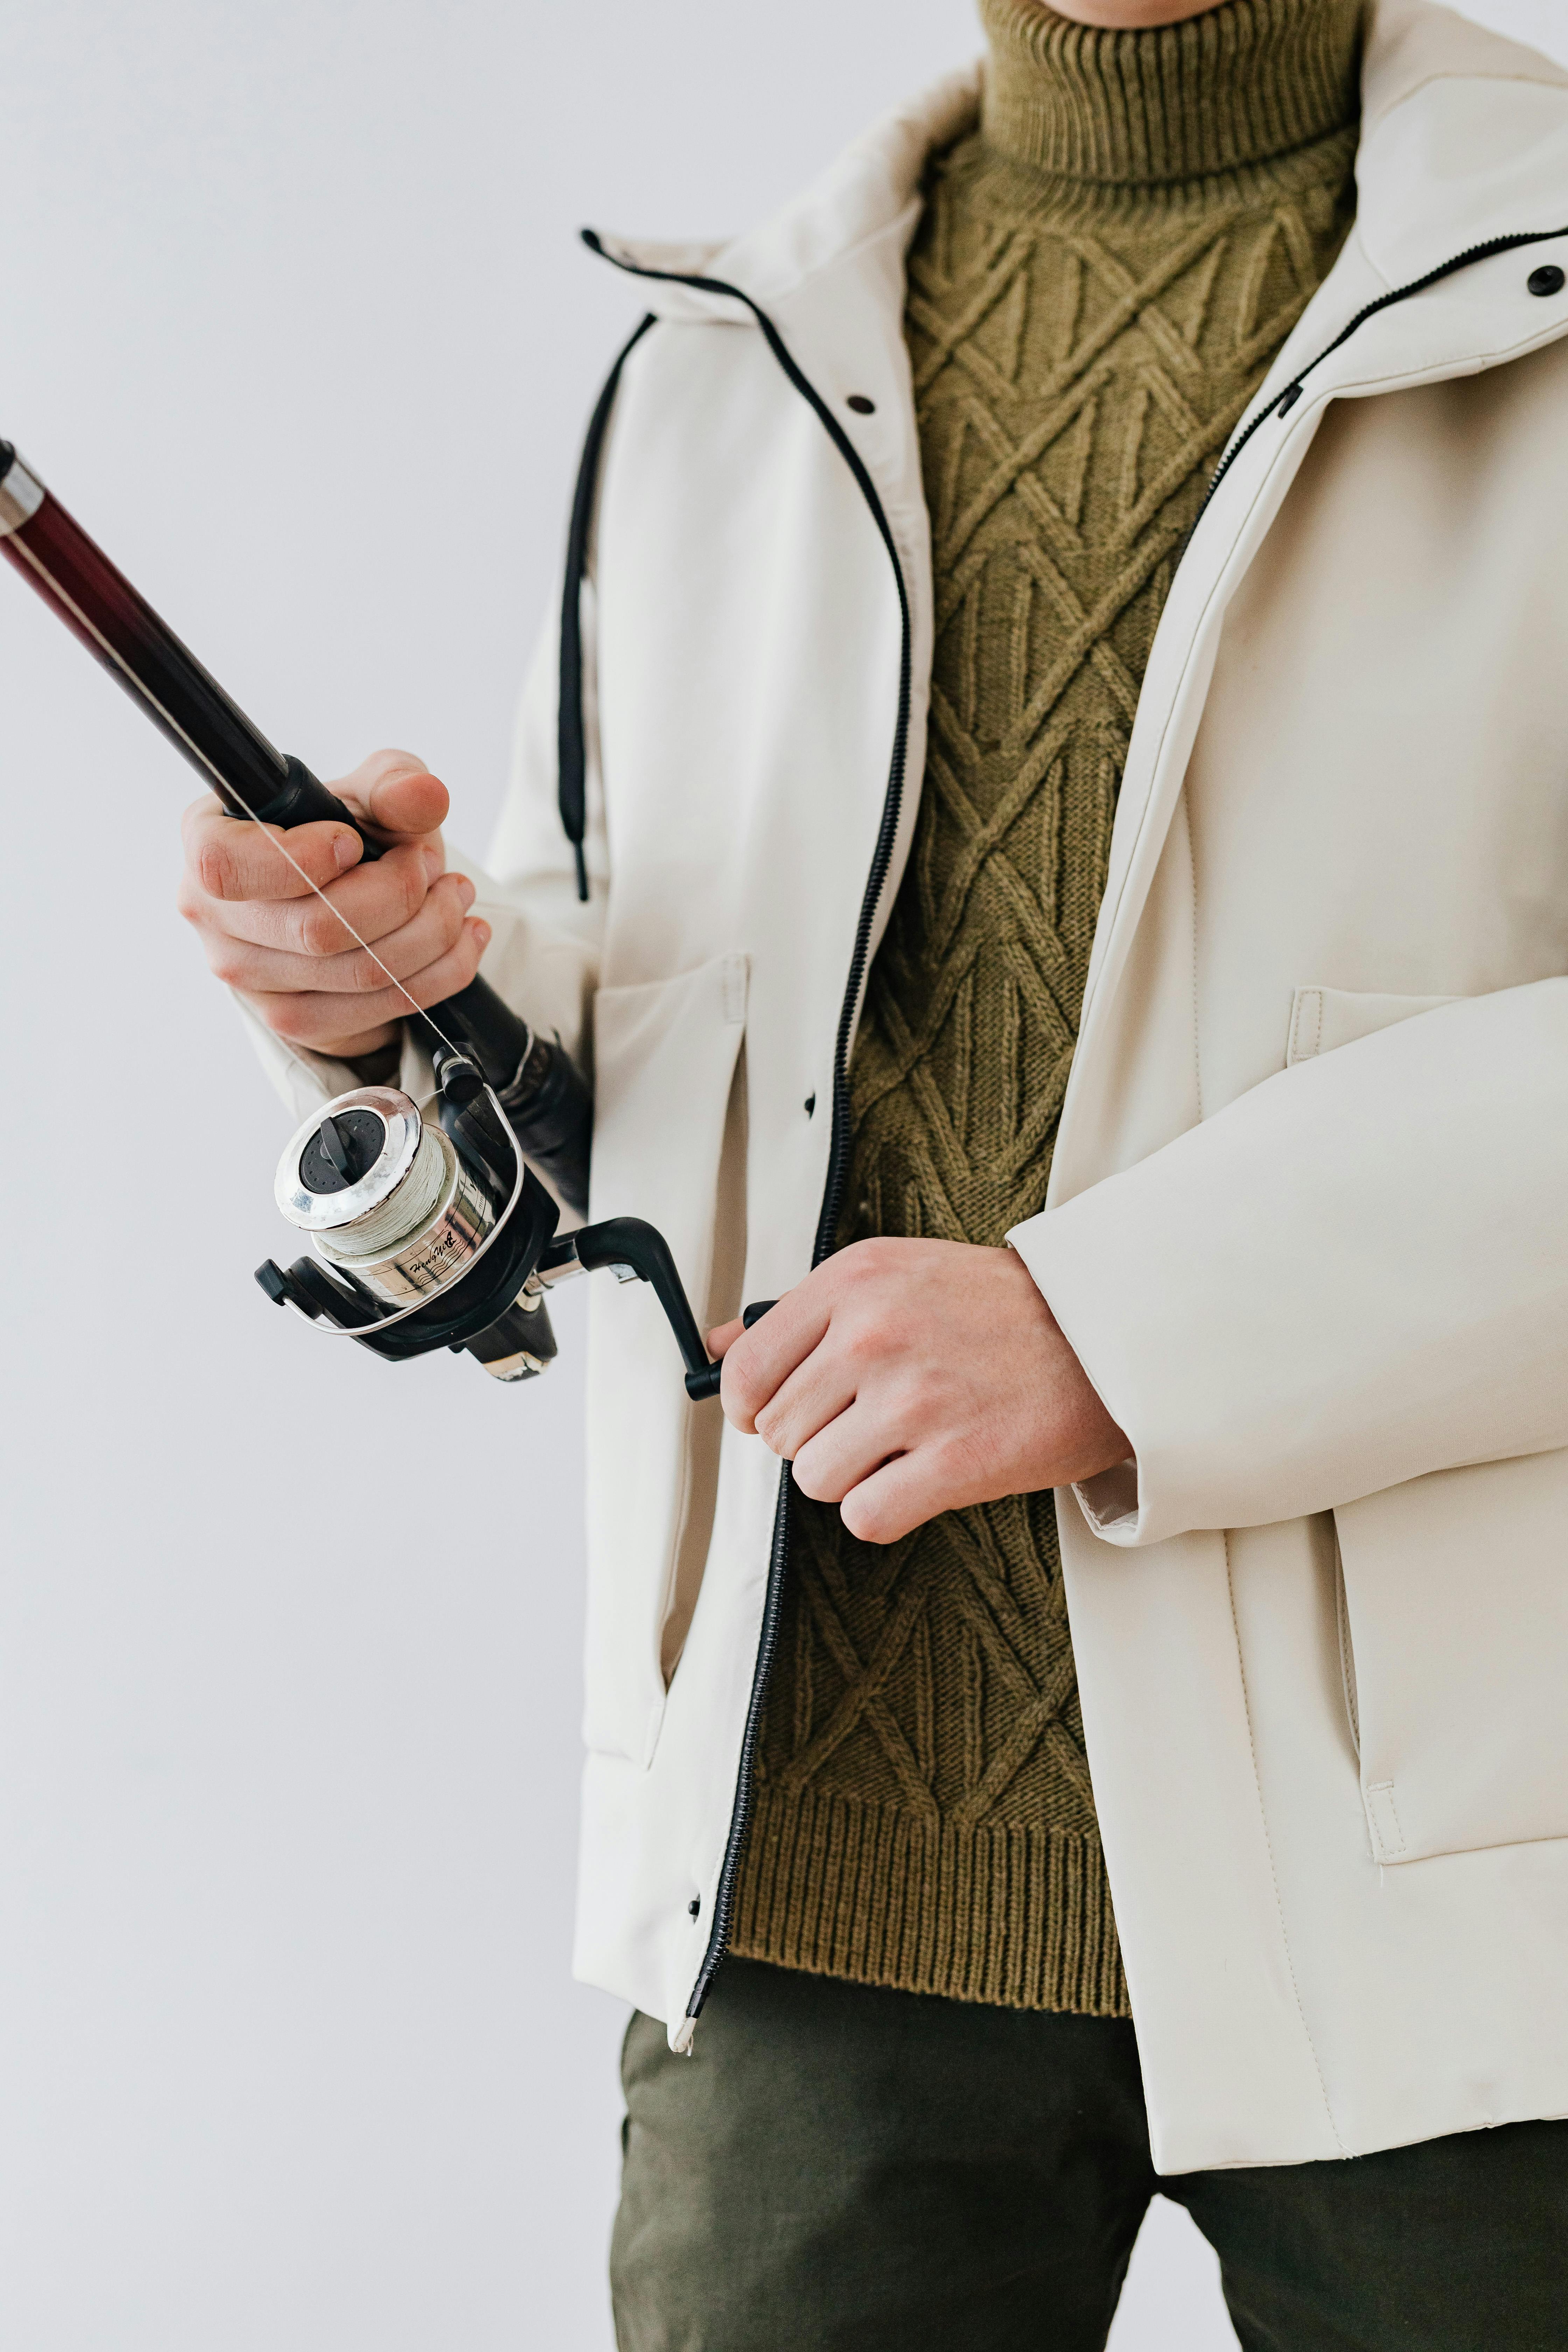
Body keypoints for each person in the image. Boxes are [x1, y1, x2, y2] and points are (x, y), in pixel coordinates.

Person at [176, 0, 1568, 2341]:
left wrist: (1114, 1331)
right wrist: (392, 1005)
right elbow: (632, 1068)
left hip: (1469, 1902)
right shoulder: (720, 358)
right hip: (809, 1885)